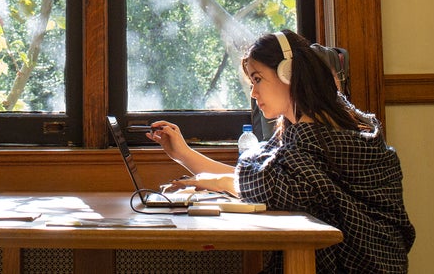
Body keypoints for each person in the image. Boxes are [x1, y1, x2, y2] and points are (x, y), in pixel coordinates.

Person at [145, 29, 415, 274]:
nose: (253, 93)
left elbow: (268, 184)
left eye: (258, 79)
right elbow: (260, 180)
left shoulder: (326, 139)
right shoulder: (304, 131)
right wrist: (183, 154)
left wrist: (215, 181)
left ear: (289, 73)